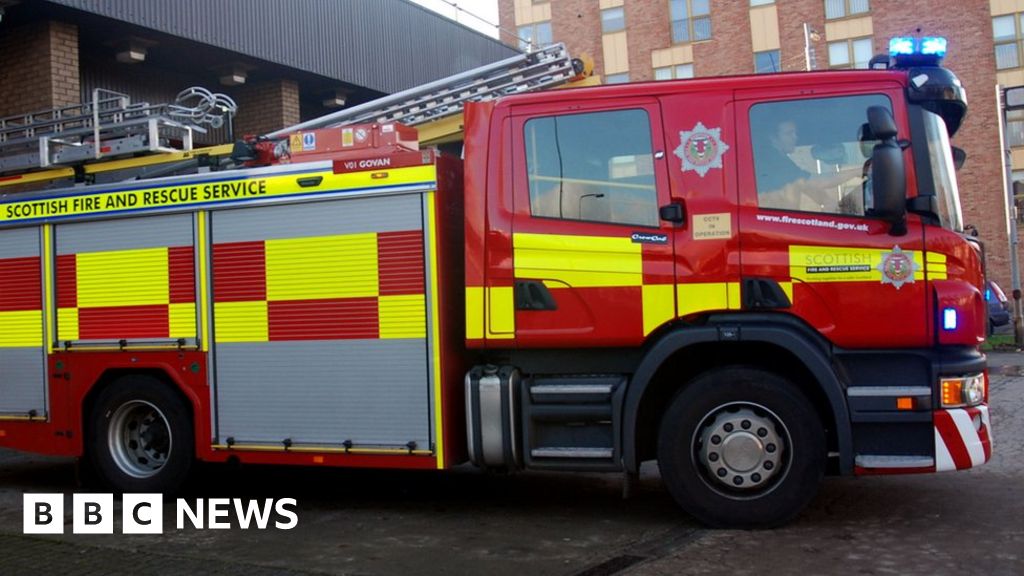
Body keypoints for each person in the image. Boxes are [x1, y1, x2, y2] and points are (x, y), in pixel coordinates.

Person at [756, 119, 865, 213]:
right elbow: (816, 182)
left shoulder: (782, 161)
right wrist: (857, 172)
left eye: (795, 133)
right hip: (776, 229)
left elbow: (807, 186)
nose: (795, 137)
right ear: (773, 138)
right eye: (789, 133)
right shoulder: (773, 162)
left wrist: (828, 202)